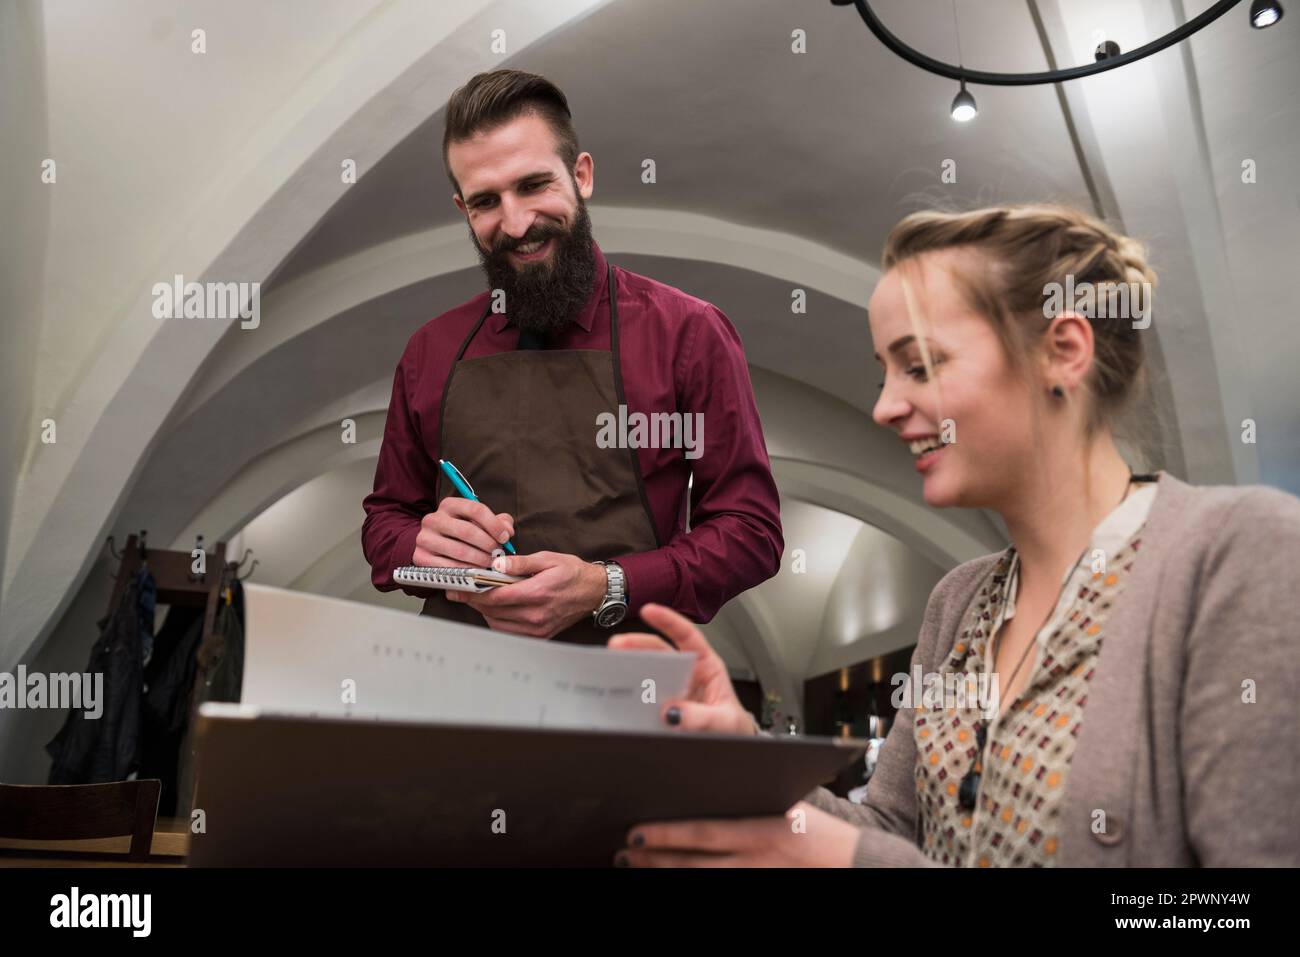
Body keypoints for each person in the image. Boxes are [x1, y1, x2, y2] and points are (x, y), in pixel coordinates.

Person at [609, 203, 1300, 866]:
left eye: (921, 365)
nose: (884, 407)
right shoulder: (960, 603)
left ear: (1063, 351)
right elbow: (888, 829)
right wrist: (745, 753)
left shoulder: (1235, 554)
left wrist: (851, 862)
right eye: (885, 372)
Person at [361, 70, 783, 644]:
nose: (515, 223)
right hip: (458, 681)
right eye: (486, 201)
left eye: (534, 185)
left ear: (581, 175)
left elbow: (751, 531)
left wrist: (608, 583)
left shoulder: (688, 332)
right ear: (463, 209)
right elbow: (385, 519)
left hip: (625, 686)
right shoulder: (429, 350)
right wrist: (417, 545)